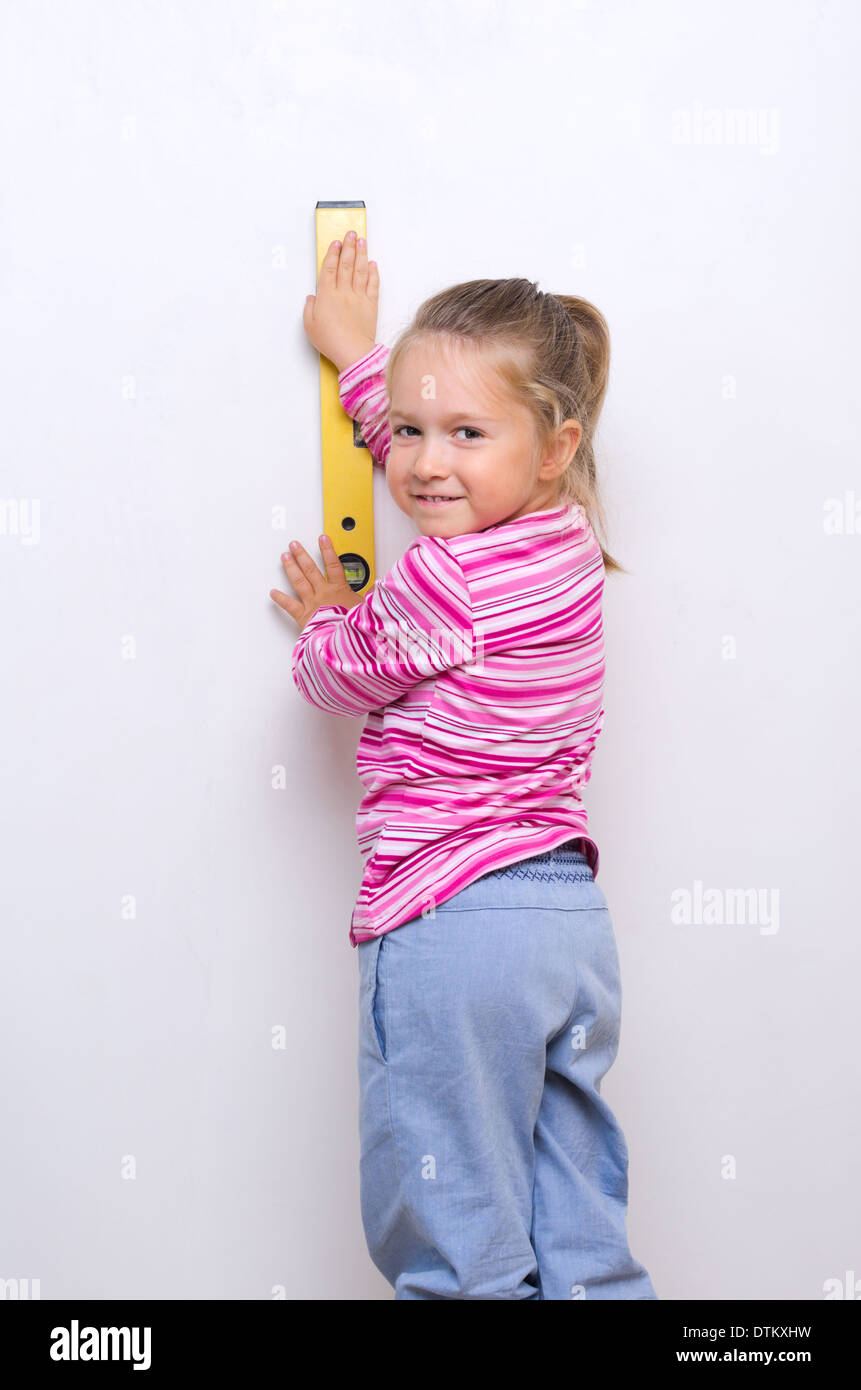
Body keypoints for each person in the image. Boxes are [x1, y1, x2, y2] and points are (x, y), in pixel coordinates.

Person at [269, 230, 657, 1301]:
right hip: (565, 926)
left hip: (450, 921)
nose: (425, 461)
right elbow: (441, 443)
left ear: (551, 444)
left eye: (464, 433)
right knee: (578, 1227)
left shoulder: (438, 583)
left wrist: (323, 622)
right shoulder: (570, 538)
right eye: (409, 430)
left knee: (456, 1238)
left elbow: (338, 676)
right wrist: (364, 368)